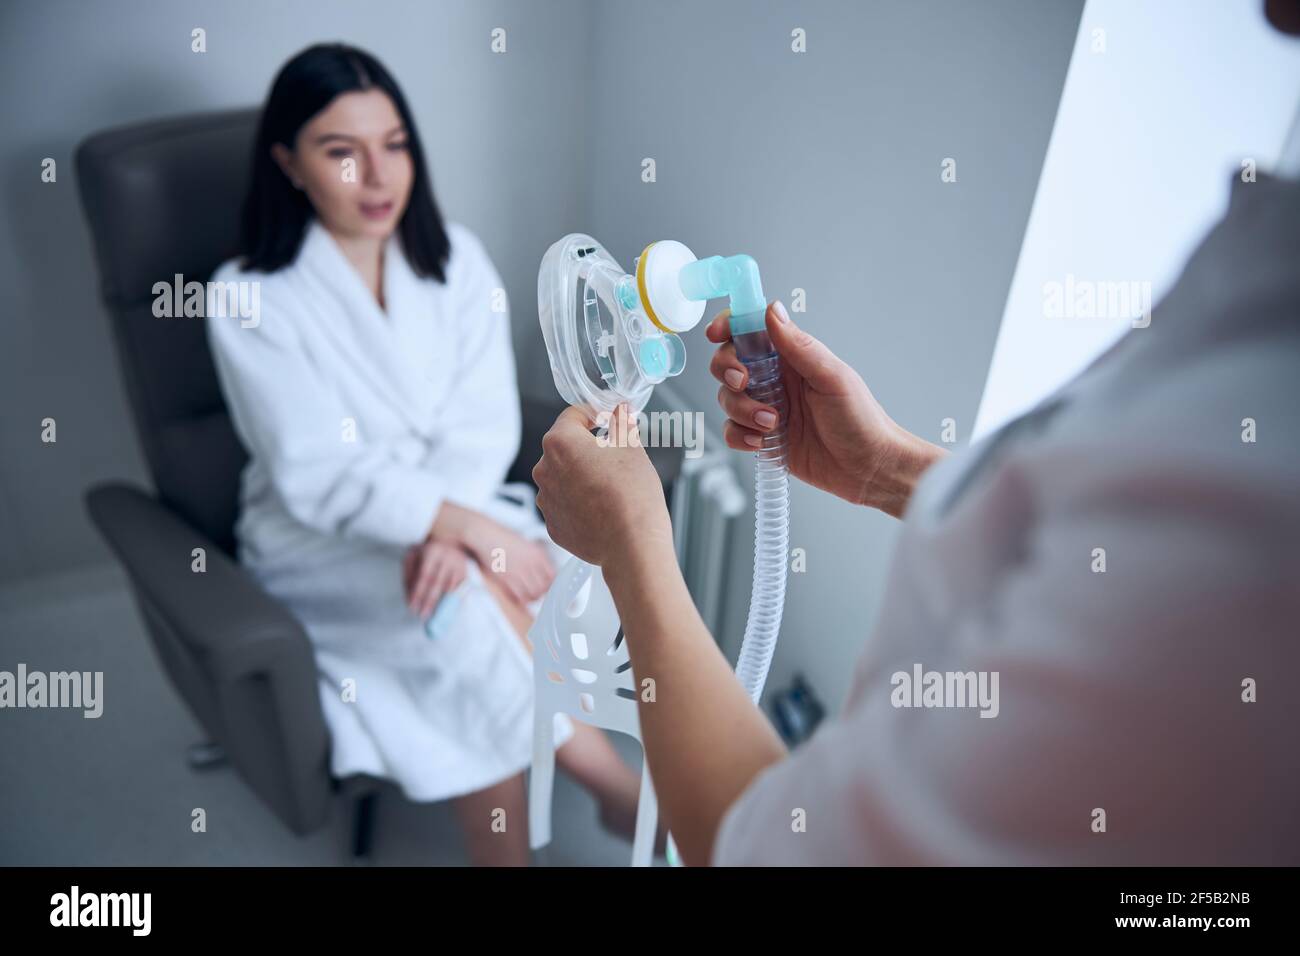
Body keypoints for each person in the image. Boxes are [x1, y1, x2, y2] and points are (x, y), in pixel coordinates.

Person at [531, 9, 1300, 867]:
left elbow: (776, 854)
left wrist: (636, 548)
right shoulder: (1257, 274)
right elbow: (1103, 527)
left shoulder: (1267, 436)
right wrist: (890, 468)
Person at [206, 44, 643, 866]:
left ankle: (531, 835)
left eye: (395, 144)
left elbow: (483, 428)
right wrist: (464, 533)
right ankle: (615, 789)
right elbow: (315, 471)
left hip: (465, 515)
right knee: (470, 609)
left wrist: (455, 531)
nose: (378, 177)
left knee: (473, 615)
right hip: (324, 545)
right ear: (287, 163)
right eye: (342, 152)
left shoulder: (457, 261)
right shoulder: (246, 298)